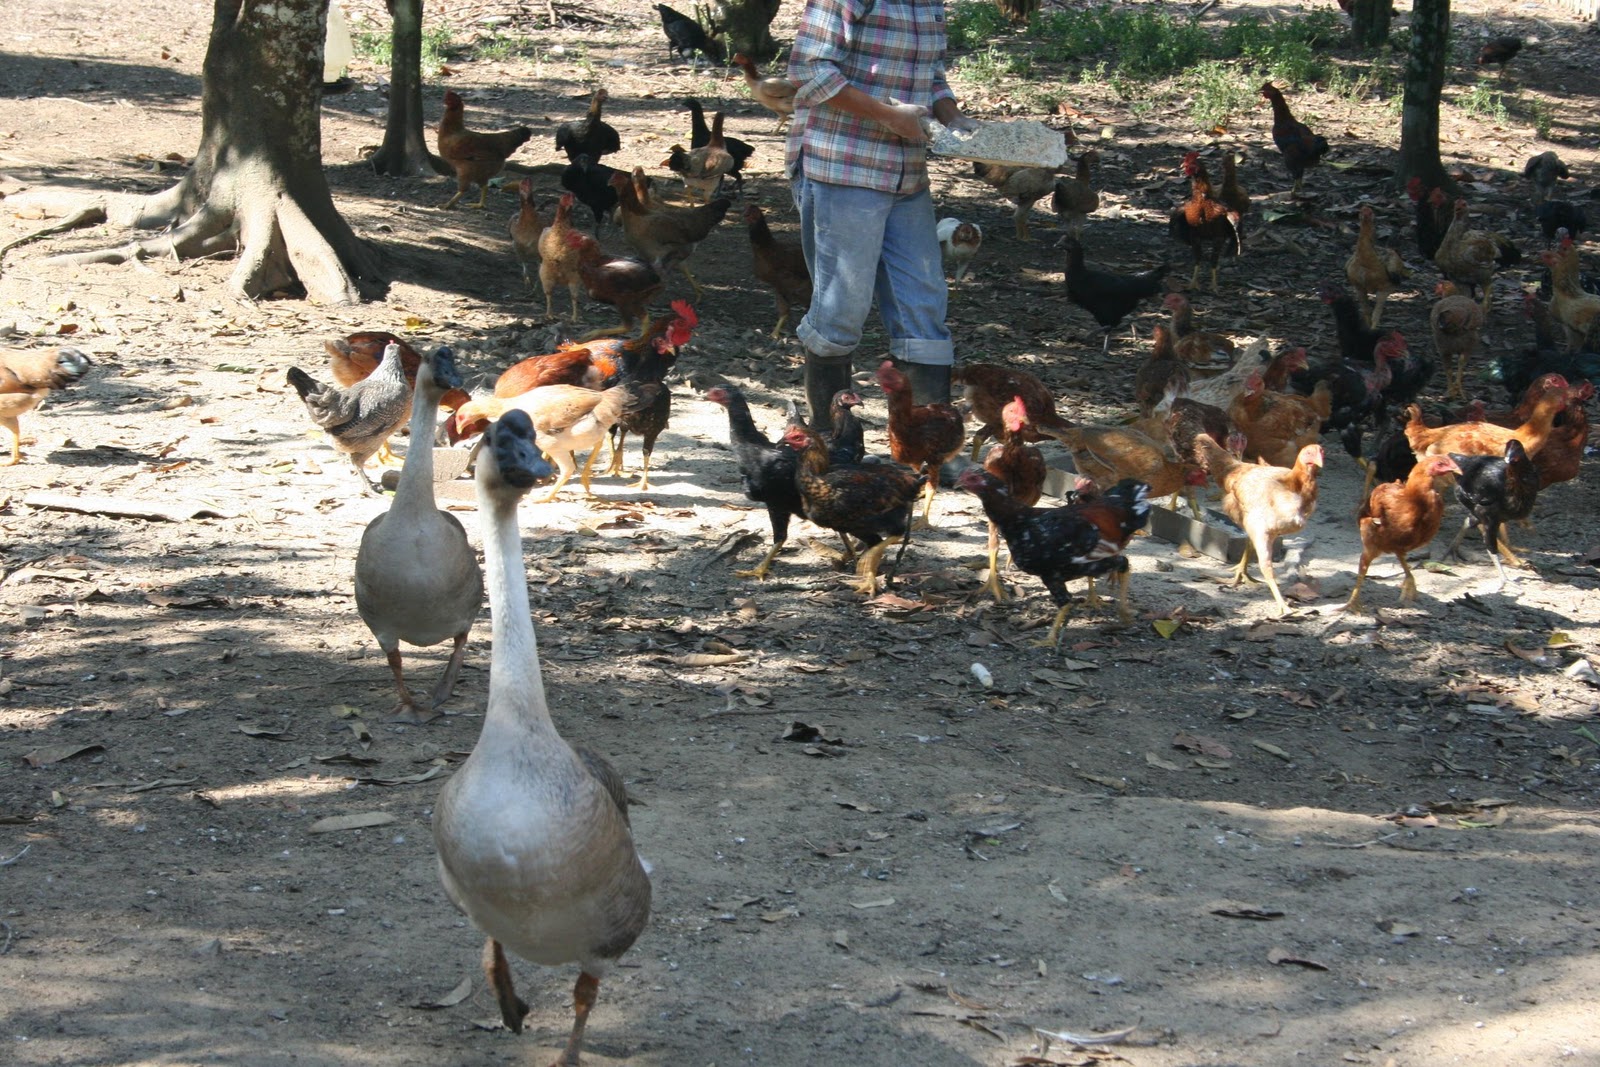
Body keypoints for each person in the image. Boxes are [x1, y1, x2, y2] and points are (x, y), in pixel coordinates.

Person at [785, 0, 976, 430]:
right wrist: (889, 116)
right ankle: (830, 440)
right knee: (842, 309)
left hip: (906, 175)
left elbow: (931, 77)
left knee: (924, 305)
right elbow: (810, 71)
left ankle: (927, 444)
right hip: (843, 165)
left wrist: (954, 119)